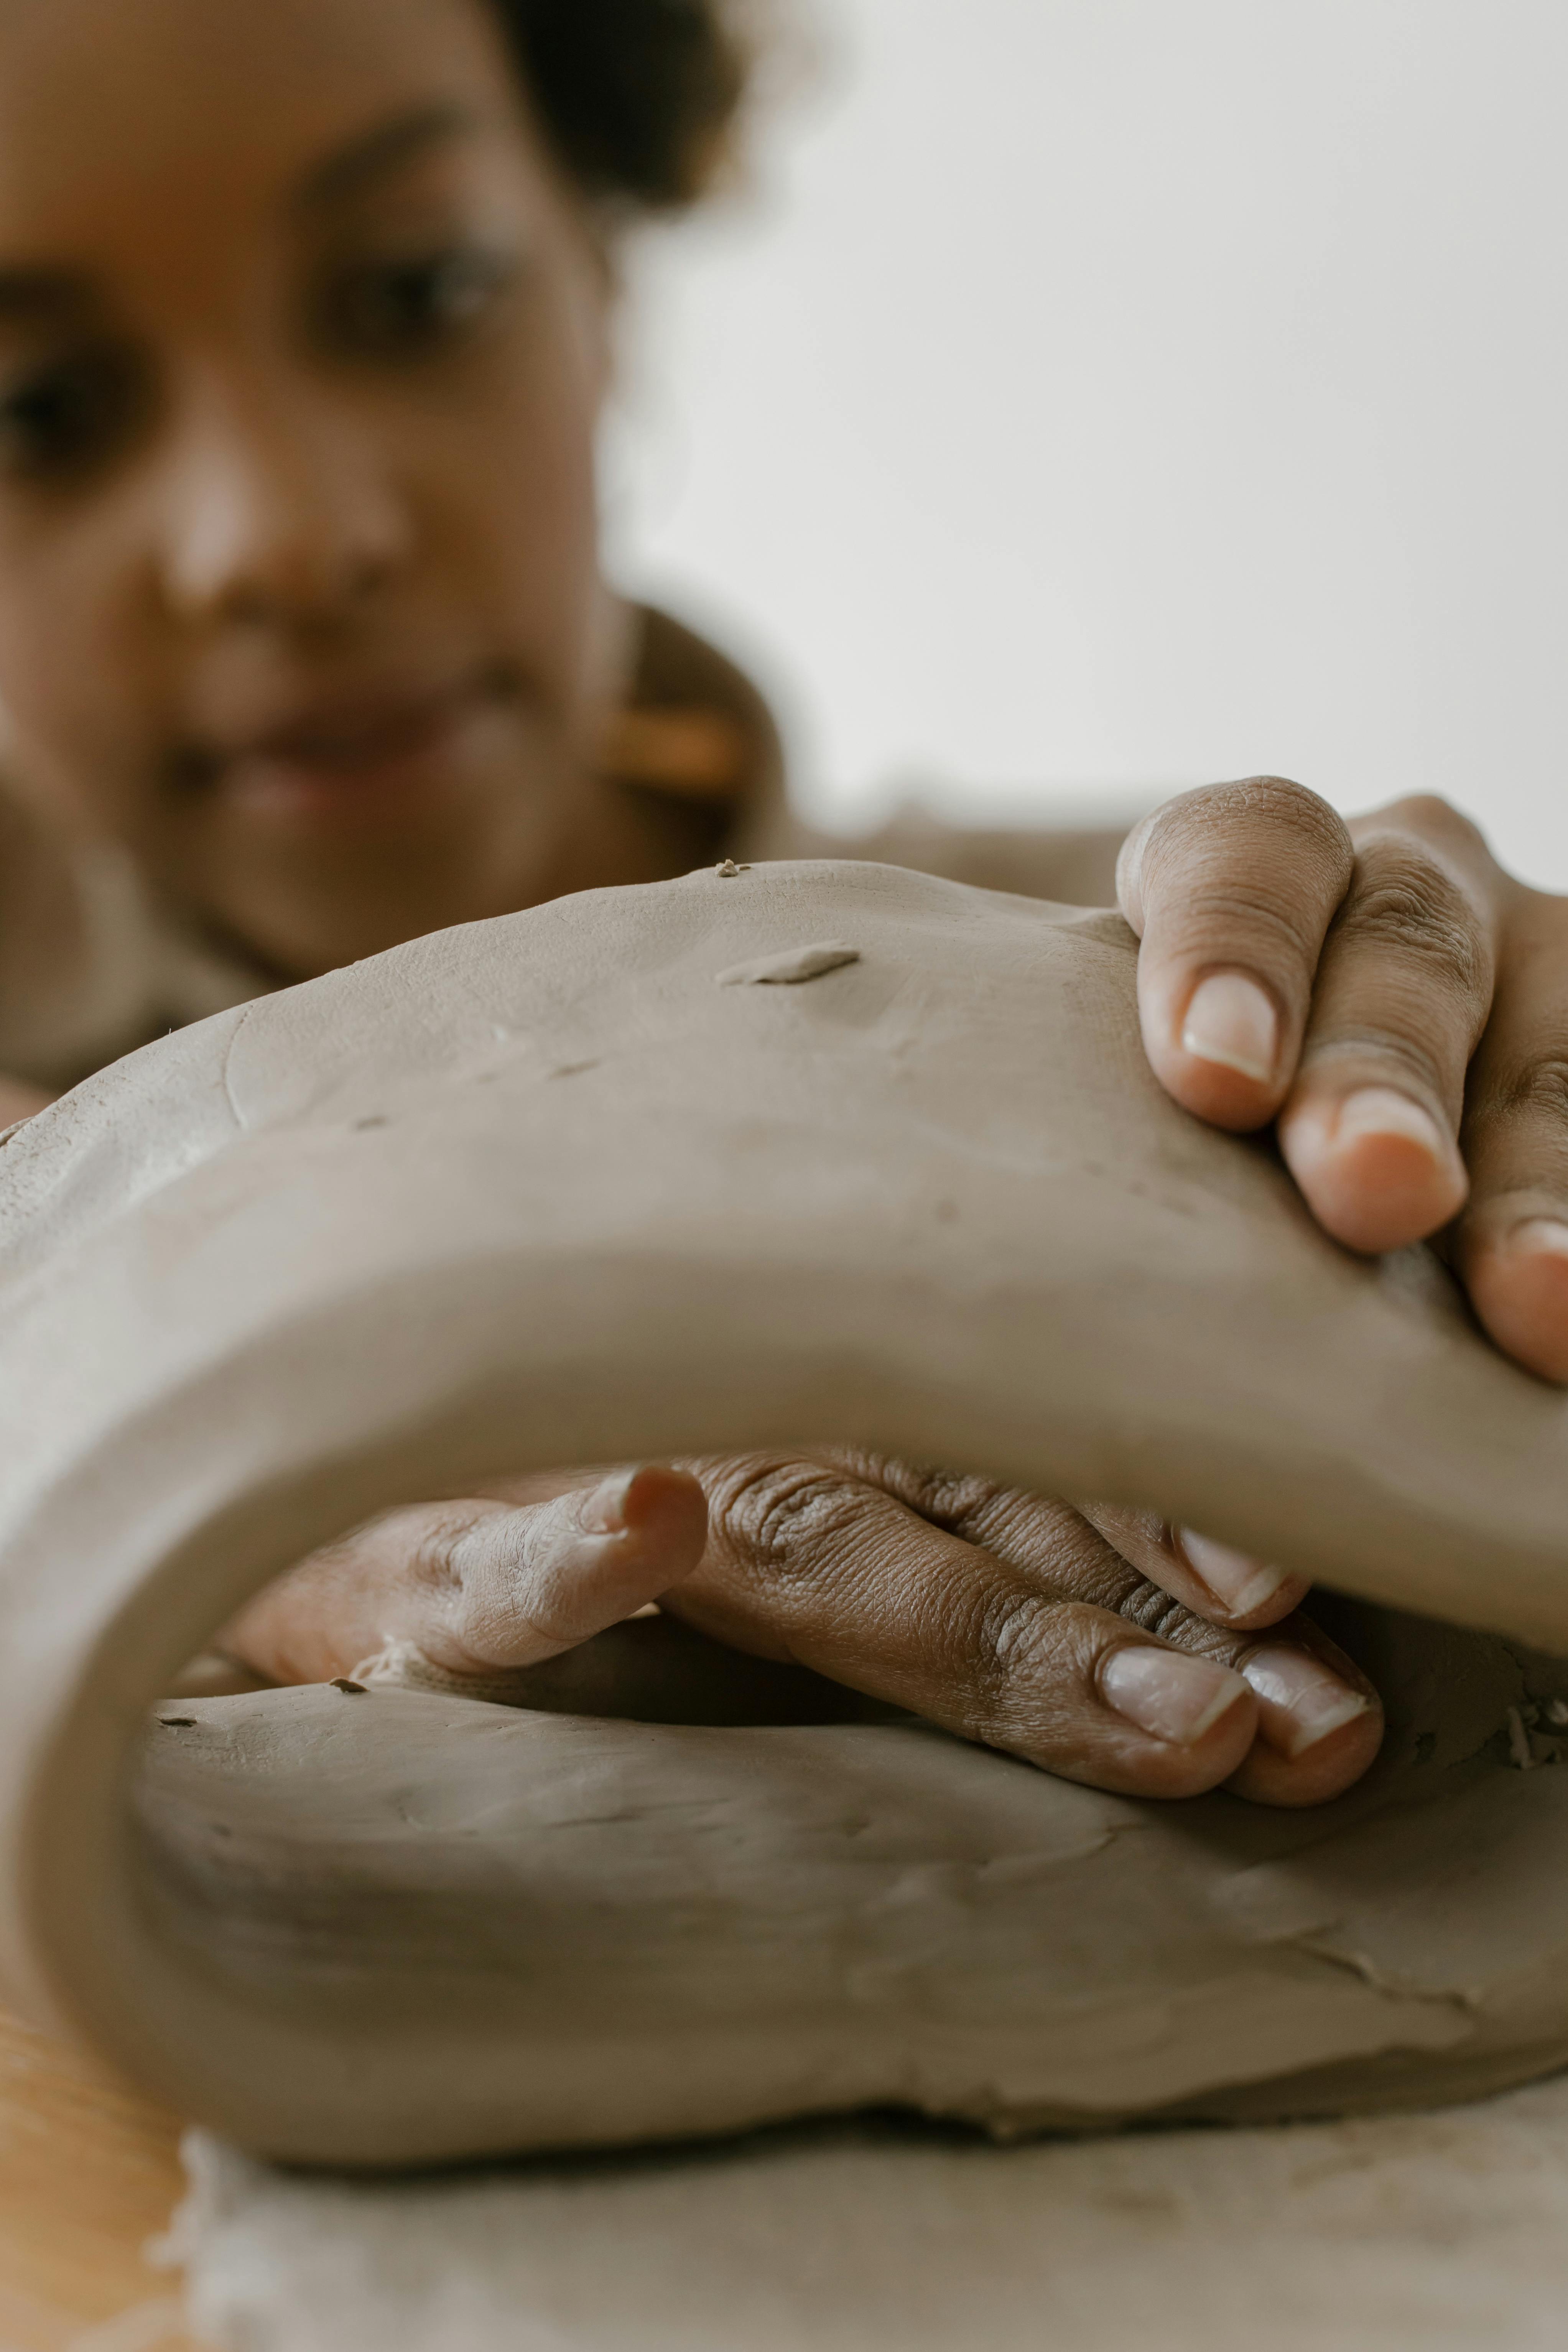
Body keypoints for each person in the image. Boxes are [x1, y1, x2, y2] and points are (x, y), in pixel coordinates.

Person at [0, 0, 1564, 1812]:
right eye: (35, 408)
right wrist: (114, 1370)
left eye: (417, 291)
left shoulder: (1148, 999)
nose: (288, 531)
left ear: (602, 252)